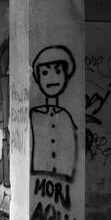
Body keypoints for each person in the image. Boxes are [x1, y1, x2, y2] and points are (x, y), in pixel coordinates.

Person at [30, 45, 78, 180]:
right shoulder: (34, 115)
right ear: (38, 78)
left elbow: (70, 149)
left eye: (58, 71)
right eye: (45, 73)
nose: (52, 78)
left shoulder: (66, 116)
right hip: (40, 174)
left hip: (63, 174)